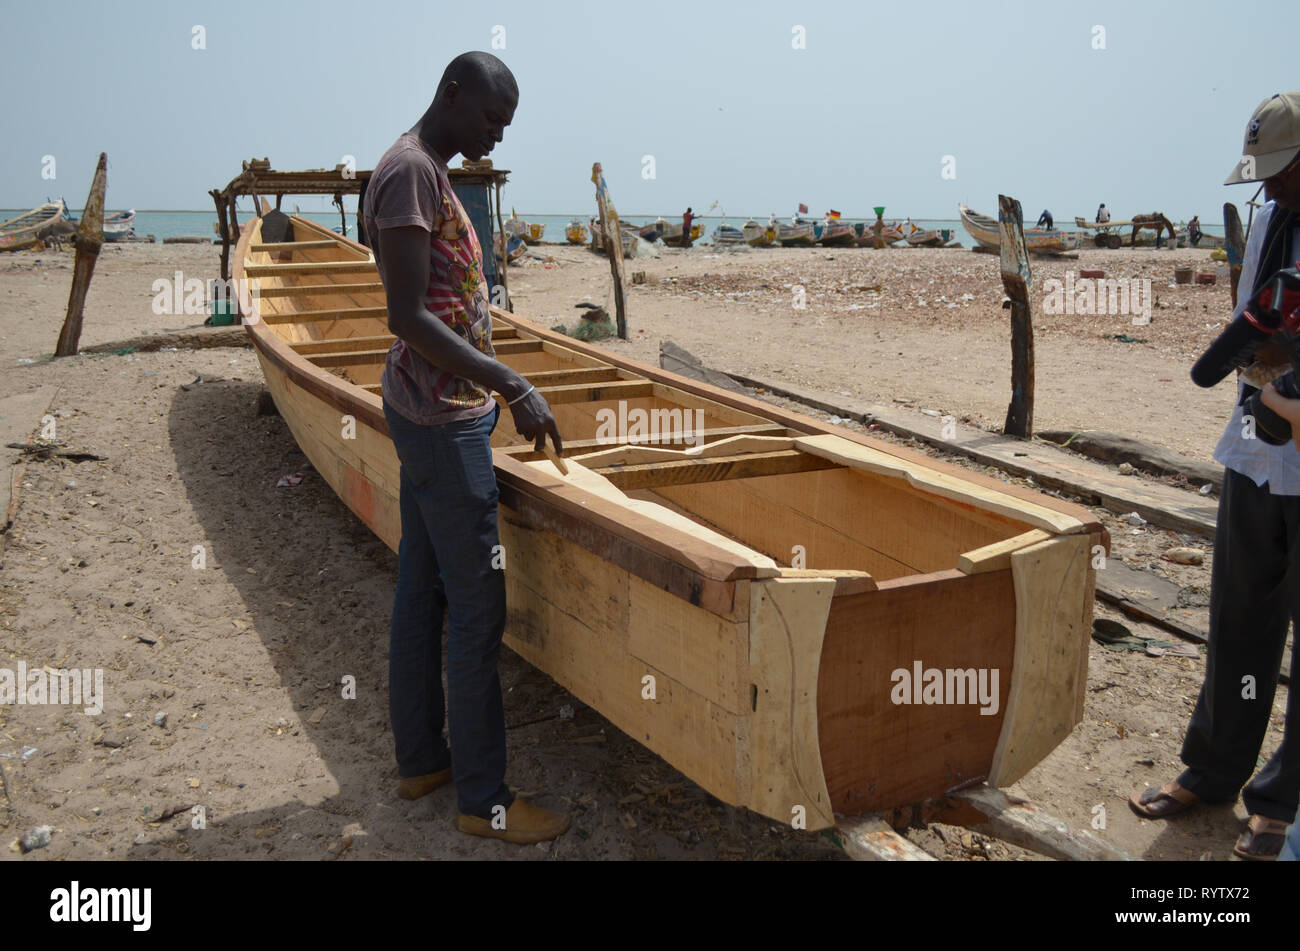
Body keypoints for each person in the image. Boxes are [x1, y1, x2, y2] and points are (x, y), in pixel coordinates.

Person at [363, 51, 569, 845]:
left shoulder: (425, 170)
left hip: (430, 409)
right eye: (490, 117)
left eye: (506, 125)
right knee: (478, 610)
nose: (496, 135)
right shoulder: (412, 173)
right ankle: (486, 800)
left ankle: (422, 760)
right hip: (445, 422)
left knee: (422, 588)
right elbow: (408, 315)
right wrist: (512, 385)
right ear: (452, 93)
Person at [1130, 91, 1300, 860]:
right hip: (1254, 448)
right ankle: (1215, 766)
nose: (1268, 188)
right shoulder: (1268, 217)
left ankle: (1280, 801)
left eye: (1283, 172)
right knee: (1238, 617)